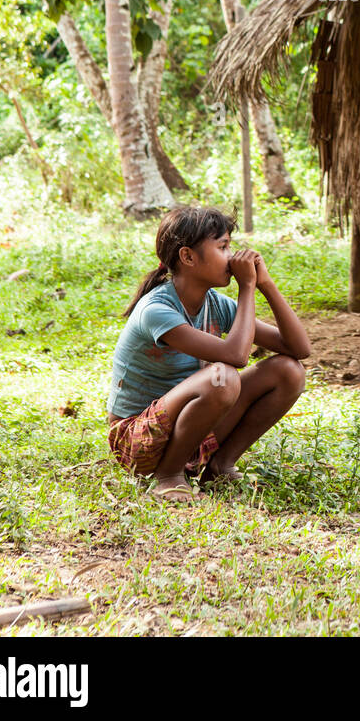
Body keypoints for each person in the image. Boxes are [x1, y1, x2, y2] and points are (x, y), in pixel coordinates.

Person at [107, 204, 310, 502]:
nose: (232, 256)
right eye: (223, 247)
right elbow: (237, 356)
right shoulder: (157, 310)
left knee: (289, 371)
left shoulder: (214, 303)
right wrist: (247, 288)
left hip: (187, 428)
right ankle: (169, 476)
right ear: (188, 256)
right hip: (138, 440)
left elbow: (298, 349)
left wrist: (265, 284)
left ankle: (220, 466)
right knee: (222, 378)